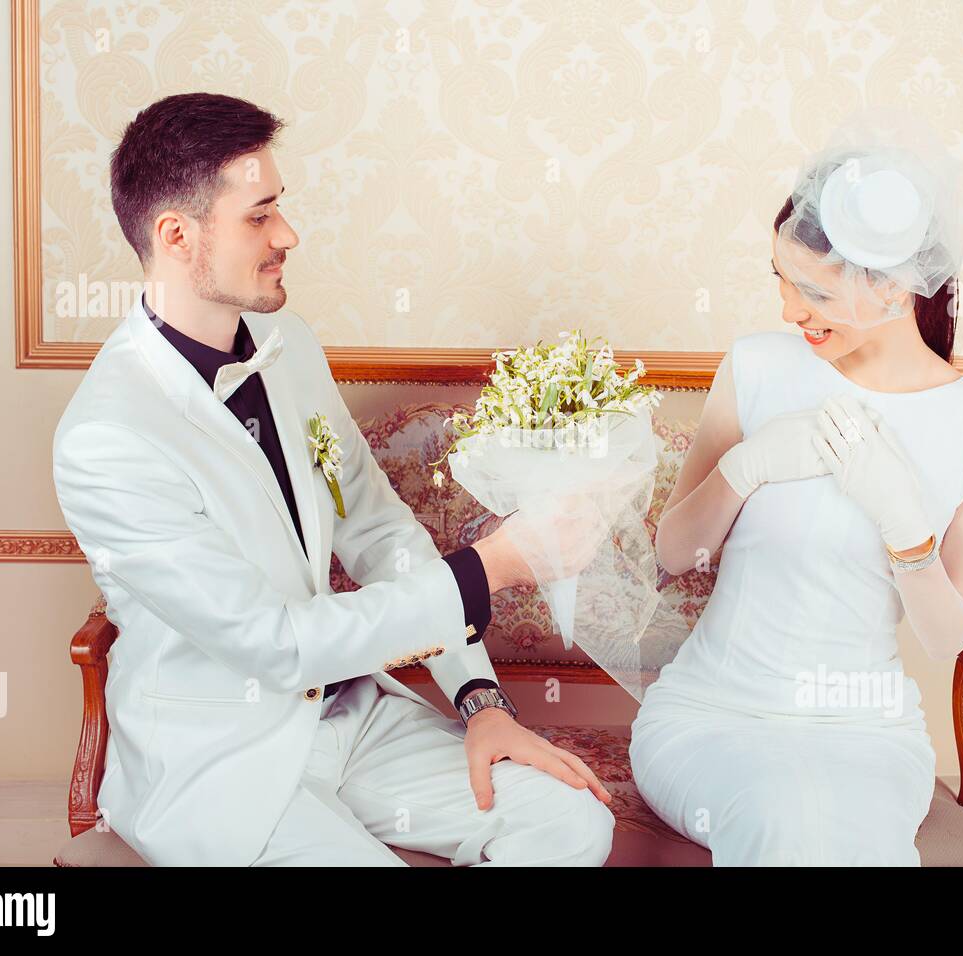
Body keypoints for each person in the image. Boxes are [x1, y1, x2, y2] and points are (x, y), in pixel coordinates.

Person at [52, 92, 615, 866]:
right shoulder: (106, 437)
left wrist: (480, 700)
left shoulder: (290, 344)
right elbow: (276, 646)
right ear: (176, 236)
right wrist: (494, 567)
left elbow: (379, 529)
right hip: (224, 764)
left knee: (572, 823)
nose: (288, 234)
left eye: (279, 207)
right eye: (258, 216)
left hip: (354, 721)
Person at [629, 109, 963, 865]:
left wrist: (906, 530)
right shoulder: (757, 368)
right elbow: (674, 552)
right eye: (781, 282)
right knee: (783, 817)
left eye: (811, 290)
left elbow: (948, 639)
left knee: (835, 830)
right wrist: (743, 470)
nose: (787, 311)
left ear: (893, 286)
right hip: (712, 717)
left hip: (865, 734)